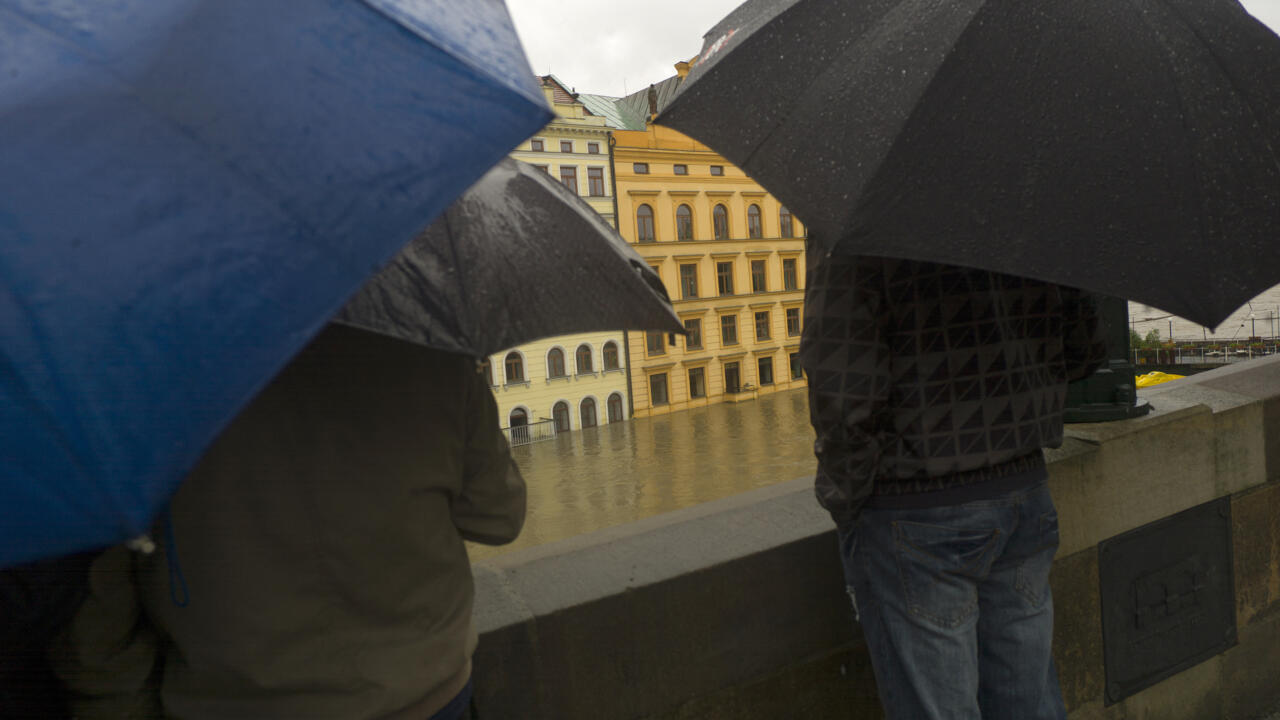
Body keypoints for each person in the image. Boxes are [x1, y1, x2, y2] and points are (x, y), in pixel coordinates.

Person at [52, 323, 526, 720]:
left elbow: (99, 613)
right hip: (423, 695)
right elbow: (497, 517)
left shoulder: (129, 385)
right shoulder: (428, 346)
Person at [800, 254, 1105, 720]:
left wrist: (850, 501)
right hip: (1022, 486)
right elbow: (1083, 349)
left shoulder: (854, 211)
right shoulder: (1024, 197)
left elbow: (841, 384)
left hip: (915, 502)